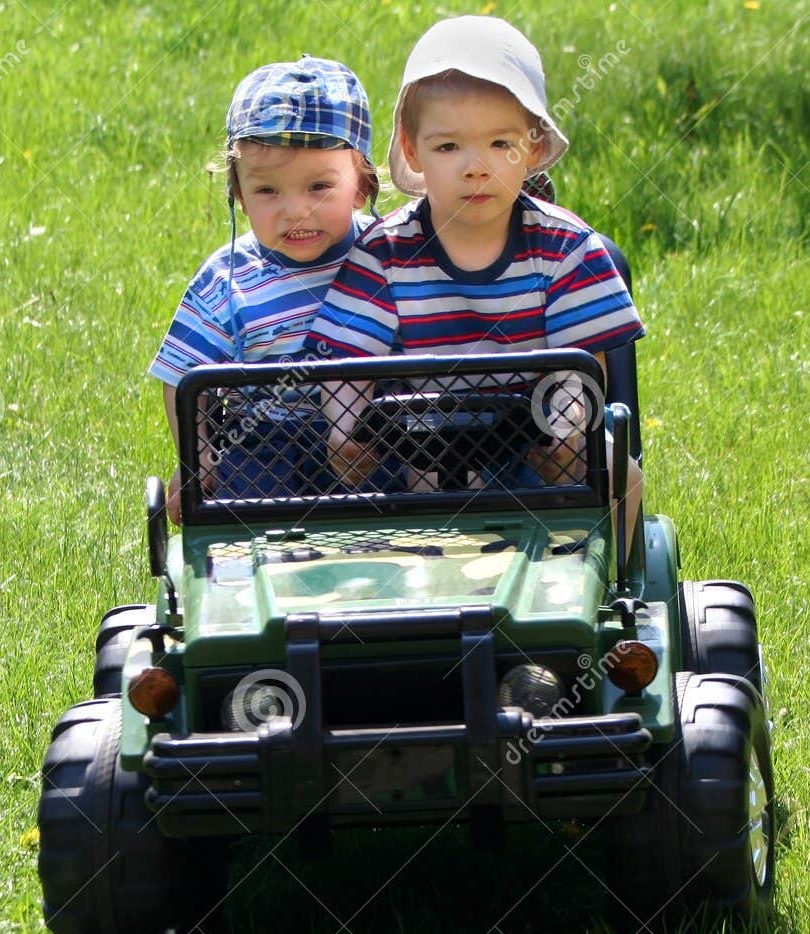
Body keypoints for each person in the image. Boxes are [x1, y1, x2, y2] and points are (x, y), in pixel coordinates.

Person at [306, 15, 645, 540]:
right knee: (390, 497)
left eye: (500, 145)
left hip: (535, 439)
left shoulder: (565, 248)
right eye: (448, 147)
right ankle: (419, 606)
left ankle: (614, 596)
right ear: (413, 151)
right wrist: (345, 431)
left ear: (532, 149)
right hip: (421, 442)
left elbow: (582, 369)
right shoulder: (386, 253)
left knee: (619, 471)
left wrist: (568, 433)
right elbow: (349, 362)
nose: (475, 167)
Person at [149, 56, 379, 522]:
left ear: (361, 185)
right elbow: (182, 380)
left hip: (374, 441)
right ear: (237, 192)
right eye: (268, 191)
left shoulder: (385, 256)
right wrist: (196, 457)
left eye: (318, 186)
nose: (295, 211)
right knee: (248, 516)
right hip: (267, 453)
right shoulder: (228, 279)